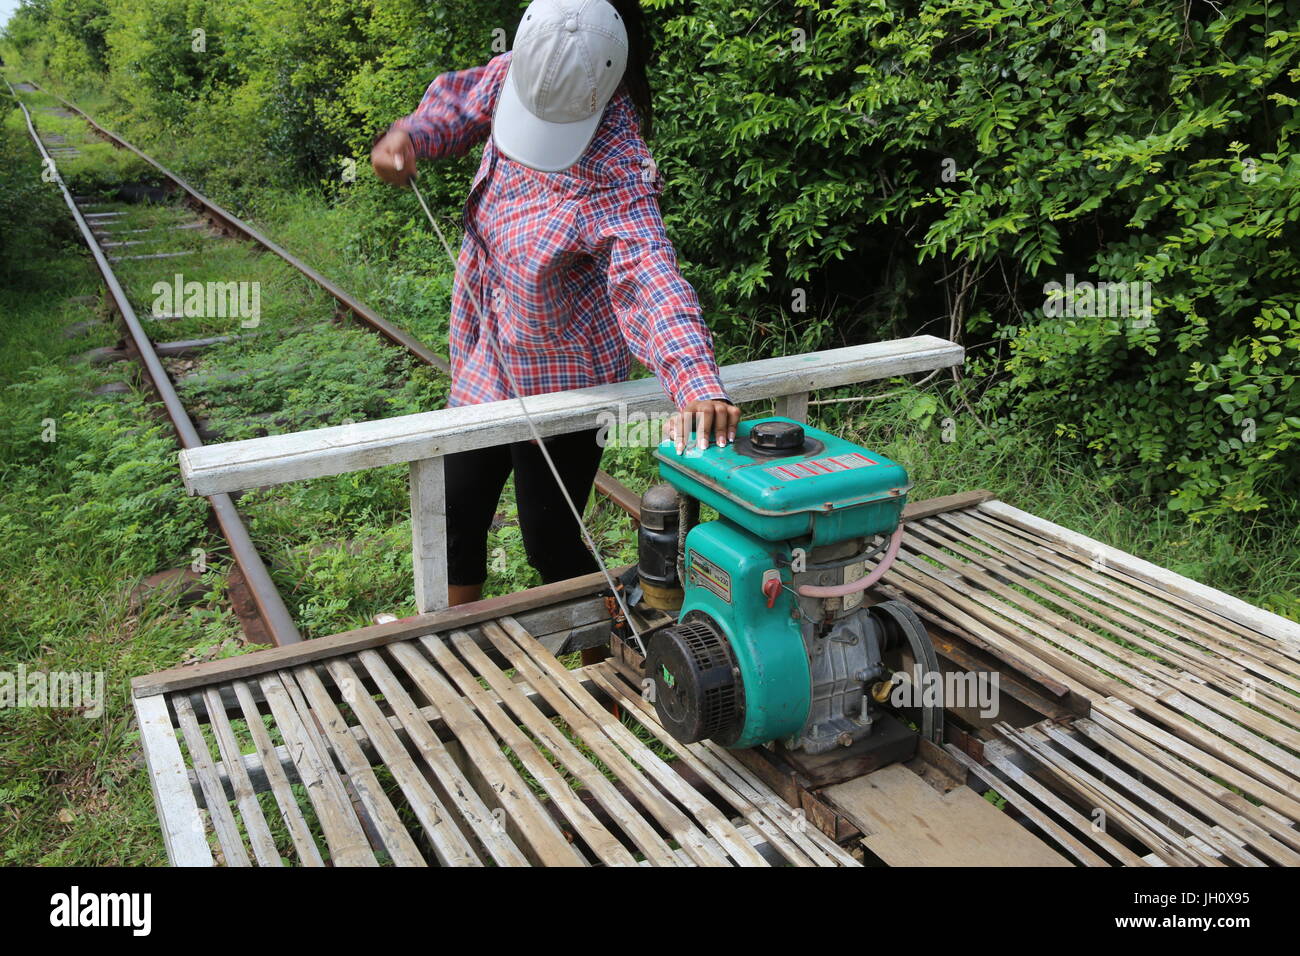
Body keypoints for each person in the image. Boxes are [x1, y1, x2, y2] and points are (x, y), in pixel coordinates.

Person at [371, 0, 739, 610]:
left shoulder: (615, 165)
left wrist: (697, 381)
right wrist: (407, 137)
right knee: (458, 510)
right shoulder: (526, 66)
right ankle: (460, 647)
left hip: (566, 375)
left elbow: (650, 276)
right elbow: (456, 105)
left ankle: (605, 639)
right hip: (488, 352)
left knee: (548, 536)